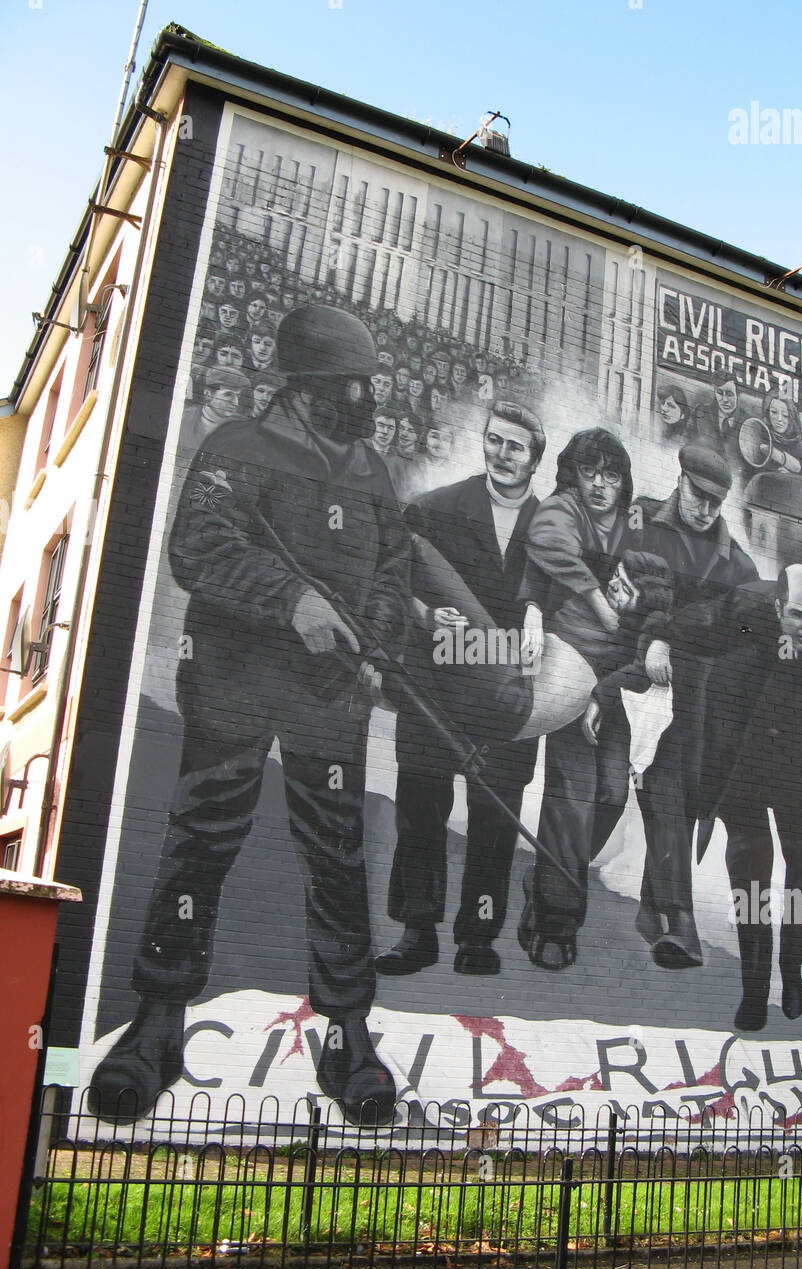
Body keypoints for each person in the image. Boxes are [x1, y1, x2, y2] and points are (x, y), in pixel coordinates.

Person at [89, 306, 411, 1127]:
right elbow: (197, 546)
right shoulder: (237, 446)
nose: (366, 398)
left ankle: (346, 1033)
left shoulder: (373, 471)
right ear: (307, 387)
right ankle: (158, 1021)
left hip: (328, 696)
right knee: (200, 842)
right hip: (233, 683)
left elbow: (393, 569)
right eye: (352, 384)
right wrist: (292, 598)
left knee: (337, 858)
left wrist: (376, 646)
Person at [656, 565, 802, 1031]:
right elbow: (688, 623)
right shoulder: (740, 612)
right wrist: (658, 642)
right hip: (743, 770)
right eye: (797, 615)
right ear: (776, 607)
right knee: (751, 878)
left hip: (799, 775)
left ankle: (791, 970)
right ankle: (755, 991)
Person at [380, 402, 546, 978]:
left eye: (515, 446)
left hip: (508, 692)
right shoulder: (436, 508)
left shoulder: (553, 530)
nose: (502, 454)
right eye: (494, 440)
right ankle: (417, 931)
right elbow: (388, 576)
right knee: (422, 806)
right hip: (437, 680)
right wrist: (424, 615)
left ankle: (478, 937)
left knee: (495, 817)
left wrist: (539, 621)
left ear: (535, 459)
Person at [598, 443, 758, 970]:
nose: (705, 509)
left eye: (716, 501)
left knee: (674, 801)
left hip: (691, 704)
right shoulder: (639, 522)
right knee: (618, 800)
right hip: (627, 683)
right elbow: (609, 582)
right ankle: (668, 919)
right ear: (680, 479)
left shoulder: (737, 564)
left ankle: (665, 916)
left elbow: (743, 638)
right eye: (698, 495)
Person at [515, 428, 653, 968]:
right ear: (575, 475)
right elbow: (541, 560)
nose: (599, 485)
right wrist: (534, 612)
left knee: (612, 795)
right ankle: (556, 924)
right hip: (570, 667)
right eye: (589, 472)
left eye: (610, 475)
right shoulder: (564, 512)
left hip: (614, 681)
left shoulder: (635, 526)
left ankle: (551, 874)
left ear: (624, 482)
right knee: (572, 796)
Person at [177, 365, 250, 455]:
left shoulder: (244, 426)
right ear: (208, 394)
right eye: (228, 395)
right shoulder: (182, 418)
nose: (235, 403)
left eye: (238, 396)